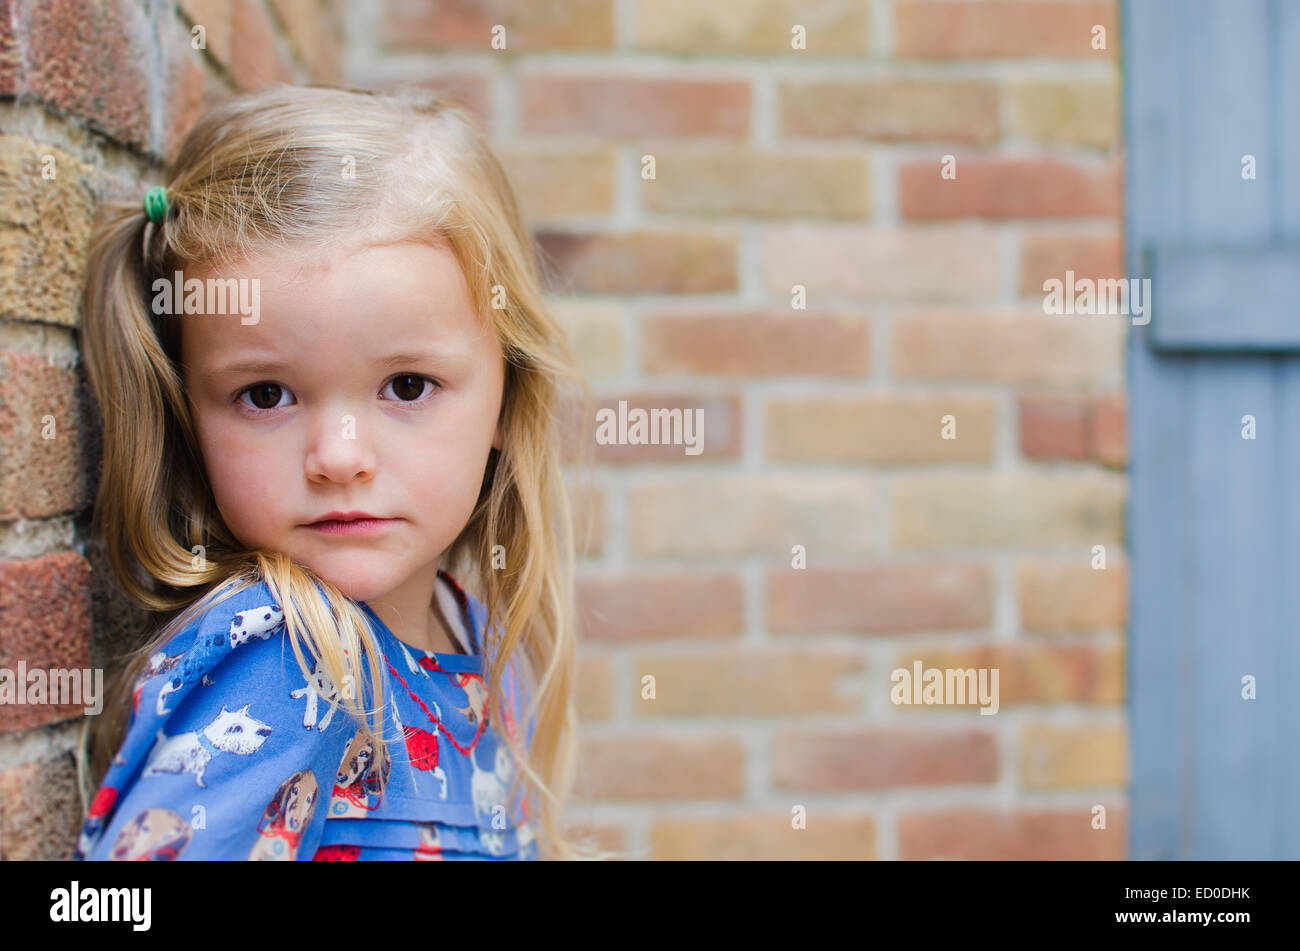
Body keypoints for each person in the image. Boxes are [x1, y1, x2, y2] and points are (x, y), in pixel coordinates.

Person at [72, 83, 598, 861]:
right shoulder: (287, 662)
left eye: (408, 386)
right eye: (265, 394)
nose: (341, 456)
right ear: (190, 409)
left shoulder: (484, 642)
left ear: (506, 394)